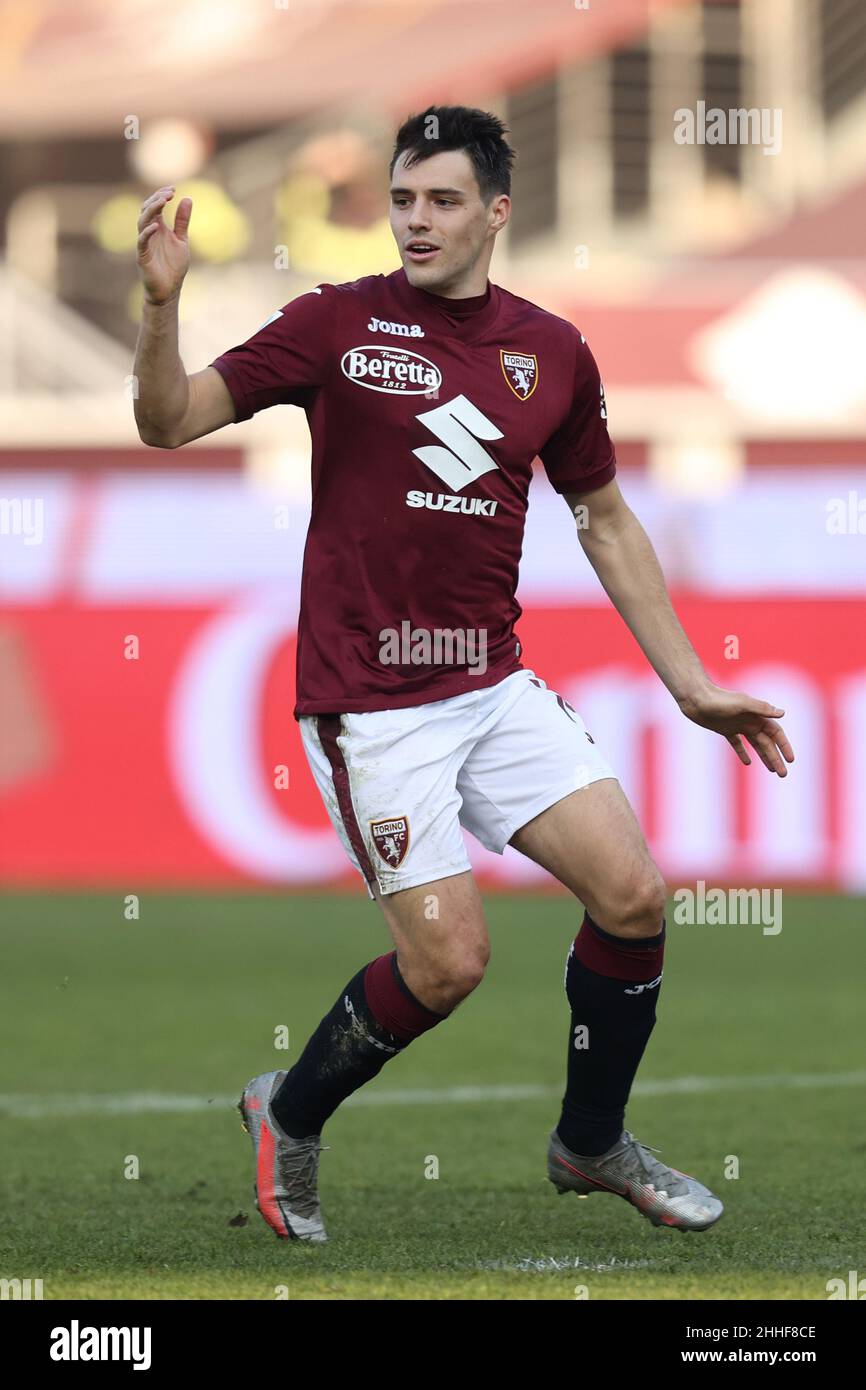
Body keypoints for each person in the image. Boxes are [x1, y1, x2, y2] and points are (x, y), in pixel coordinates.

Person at [133, 105, 794, 1244]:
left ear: (495, 211)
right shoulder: (336, 324)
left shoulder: (551, 351)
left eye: (440, 201)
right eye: (401, 200)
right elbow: (166, 420)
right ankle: (285, 1112)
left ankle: (589, 1142)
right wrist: (159, 305)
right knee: (448, 962)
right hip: (370, 704)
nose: (415, 221)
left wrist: (688, 682)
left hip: (489, 685)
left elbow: (603, 517)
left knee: (633, 896)